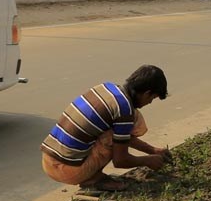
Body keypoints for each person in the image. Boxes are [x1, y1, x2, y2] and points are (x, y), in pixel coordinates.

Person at [41, 64, 172, 192]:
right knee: (121, 129)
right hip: (66, 170)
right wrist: (147, 160)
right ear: (147, 93)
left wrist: (152, 150)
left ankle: (91, 174)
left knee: (117, 132)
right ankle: (92, 179)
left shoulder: (107, 88)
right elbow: (120, 161)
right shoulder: (124, 109)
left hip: (49, 159)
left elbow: (121, 137)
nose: (149, 103)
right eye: (152, 98)